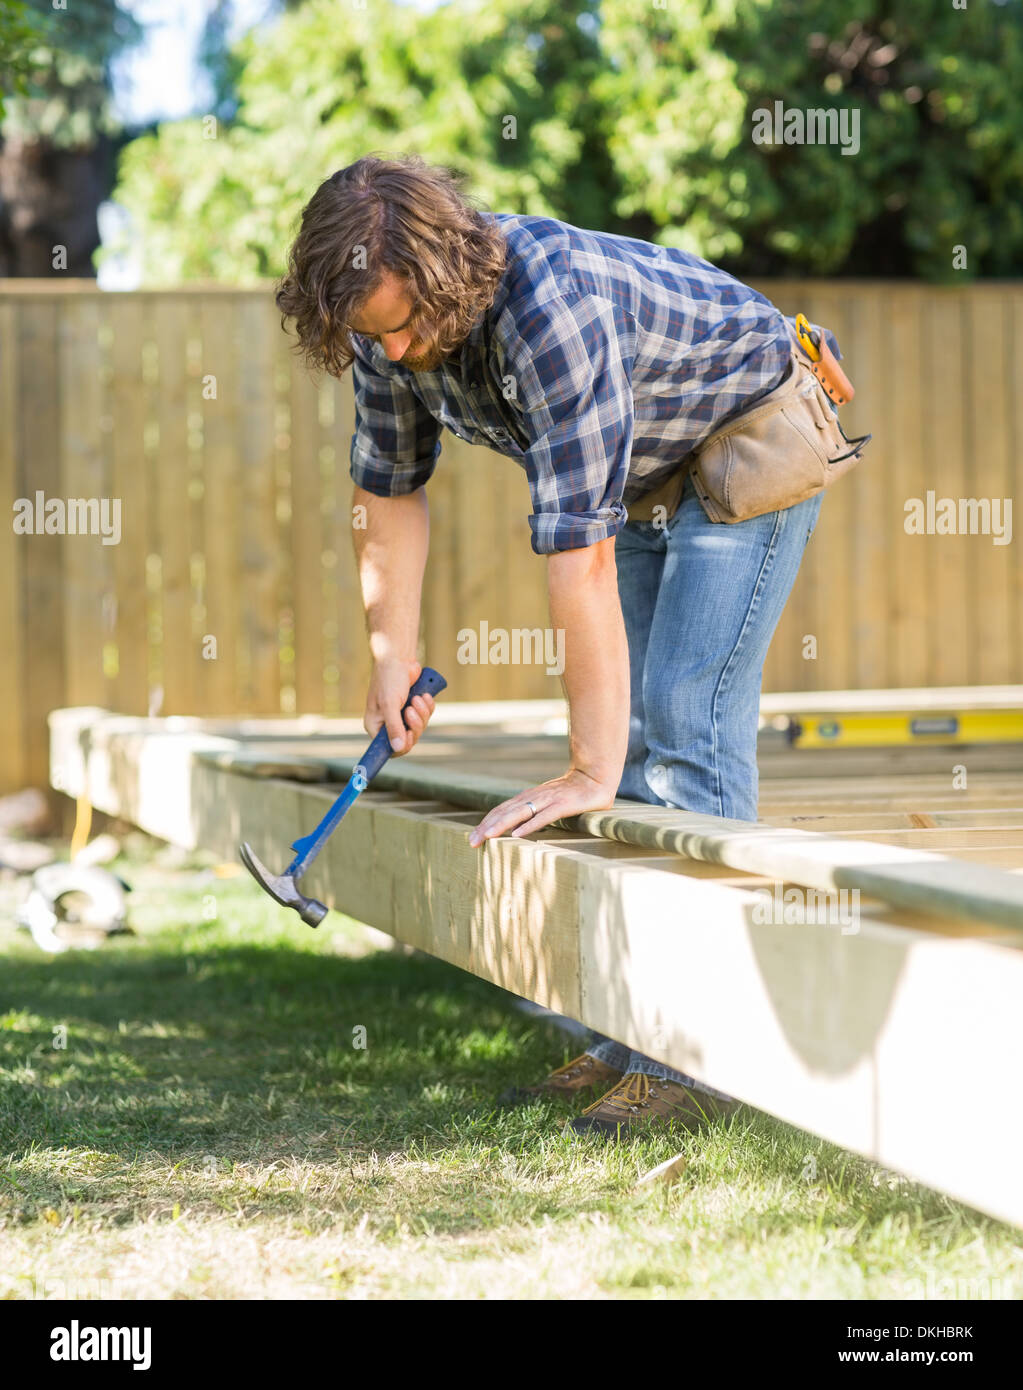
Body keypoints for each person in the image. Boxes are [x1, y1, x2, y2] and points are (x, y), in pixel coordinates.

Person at [275, 152, 846, 1141]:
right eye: (376, 333)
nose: (399, 349)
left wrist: (588, 768)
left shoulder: (550, 307)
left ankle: (692, 1057)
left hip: (747, 427)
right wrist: (389, 659)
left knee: (681, 714)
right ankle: (627, 1034)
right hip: (644, 468)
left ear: (447, 271)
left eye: (406, 323)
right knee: (625, 733)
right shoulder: (383, 321)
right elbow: (388, 491)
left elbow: (575, 562)